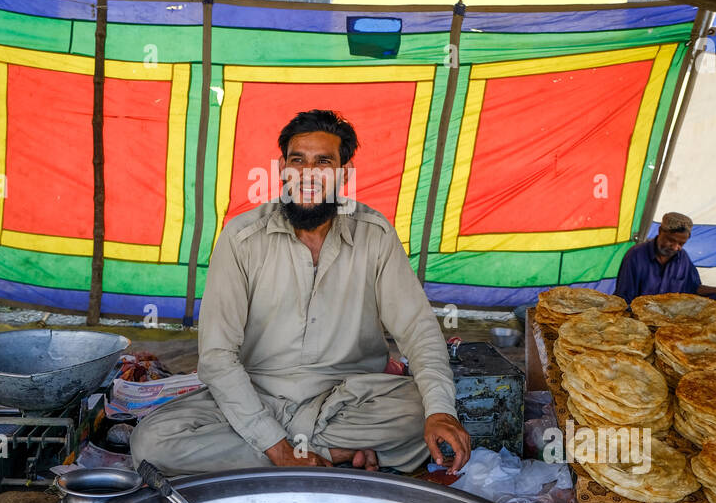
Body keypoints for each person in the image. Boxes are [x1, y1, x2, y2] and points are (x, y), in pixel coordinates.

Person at [130, 108, 471, 477]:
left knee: (426, 413)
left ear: (344, 173)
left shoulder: (374, 235)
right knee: (151, 443)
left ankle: (298, 456)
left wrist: (439, 412)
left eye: (323, 162)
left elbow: (418, 332)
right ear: (282, 169)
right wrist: (277, 448)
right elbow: (216, 357)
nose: (308, 174)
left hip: (348, 399)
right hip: (257, 394)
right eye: (298, 161)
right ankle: (333, 455)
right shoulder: (242, 238)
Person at [614, 211, 716, 305]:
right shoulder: (635, 256)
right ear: (660, 231)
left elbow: (694, 288)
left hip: (672, 322)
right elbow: (623, 299)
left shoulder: (683, 258)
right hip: (640, 320)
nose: (676, 247)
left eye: (681, 243)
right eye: (671, 241)